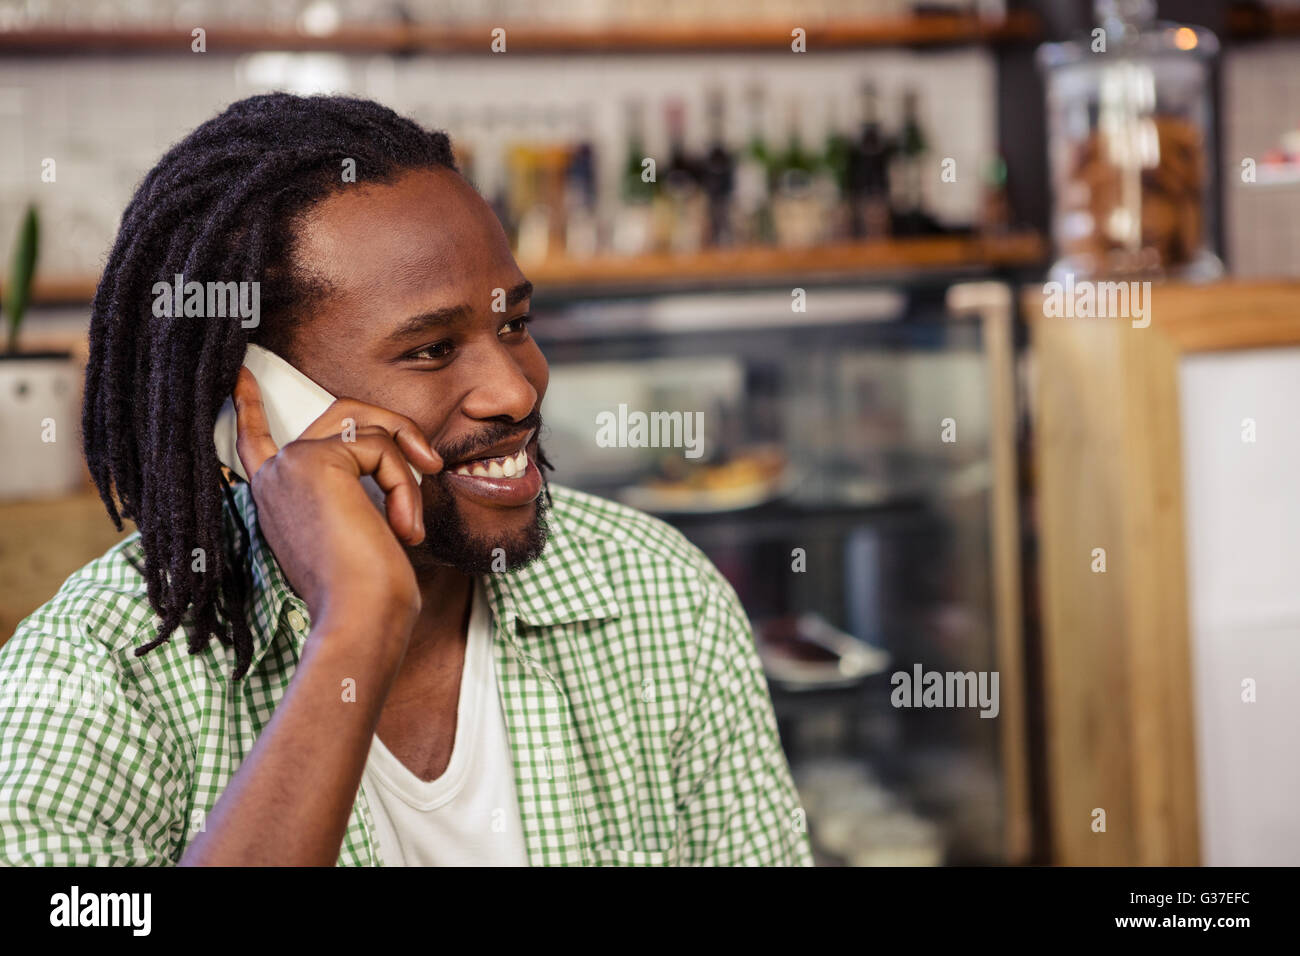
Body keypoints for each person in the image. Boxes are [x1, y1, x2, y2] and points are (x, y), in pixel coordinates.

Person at [0, 93, 812, 867]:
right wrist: (358, 625)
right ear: (259, 402)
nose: (517, 392)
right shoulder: (97, 677)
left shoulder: (657, 594)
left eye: (514, 325)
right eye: (430, 350)